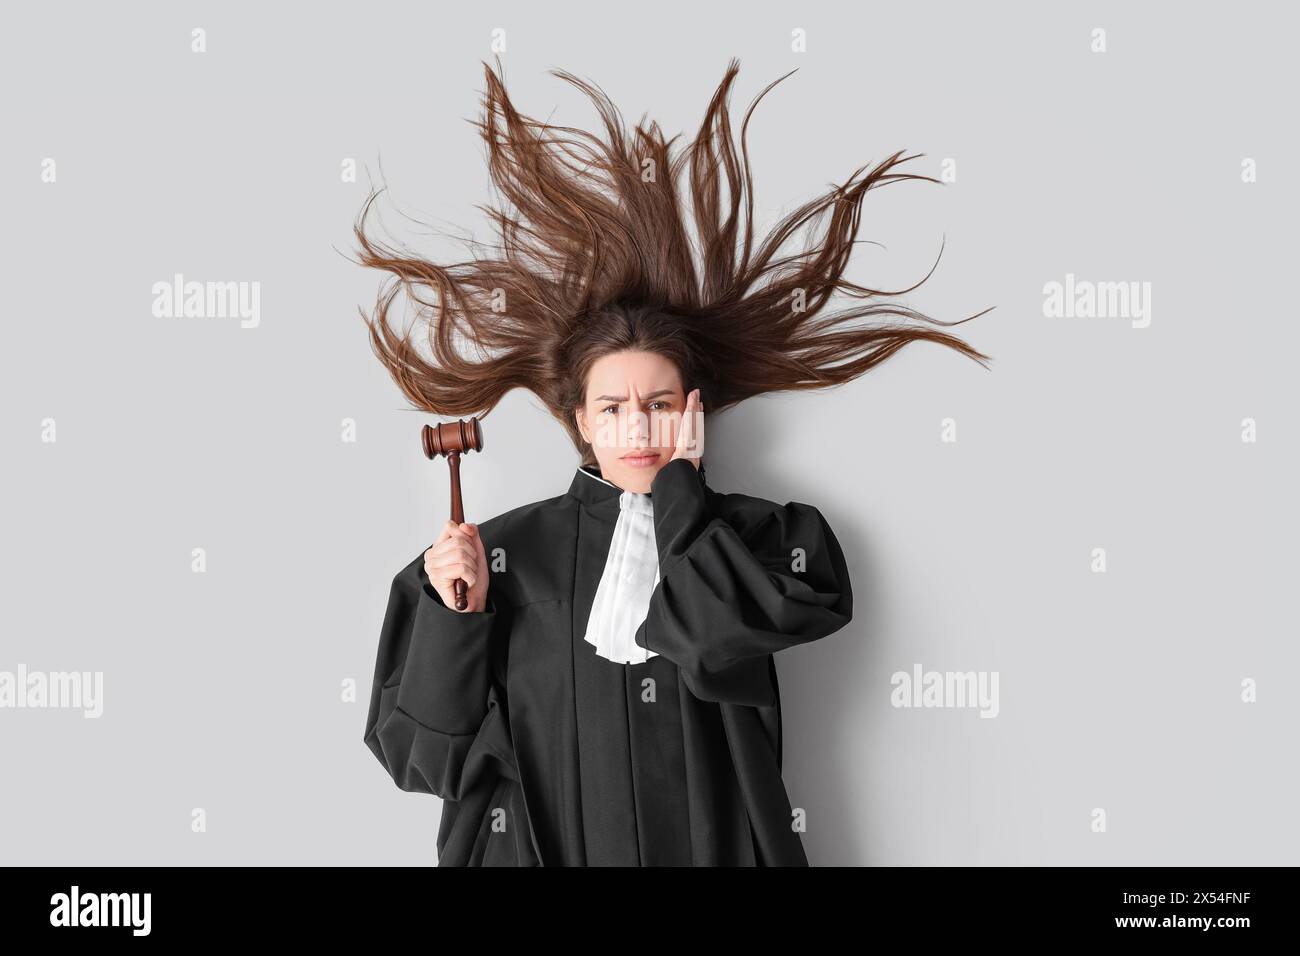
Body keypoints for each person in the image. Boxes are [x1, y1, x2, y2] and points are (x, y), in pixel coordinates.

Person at [354, 58, 991, 865]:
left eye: (659, 403)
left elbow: (713, 632)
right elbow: (422, 761)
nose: (638, 428)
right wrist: (459, 618)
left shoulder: (769, 540)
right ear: (579, 420)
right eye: (613, 409)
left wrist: (682, 493)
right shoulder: (493, 557)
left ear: (696, 408)